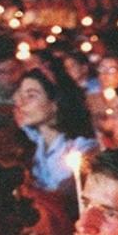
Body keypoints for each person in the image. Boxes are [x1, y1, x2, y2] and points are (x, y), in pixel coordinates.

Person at [12, 67, 96, 196]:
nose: (21, 103)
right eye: (21, 95)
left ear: (55, 103)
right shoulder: (28, 139)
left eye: (31, 96)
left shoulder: (82, 147)